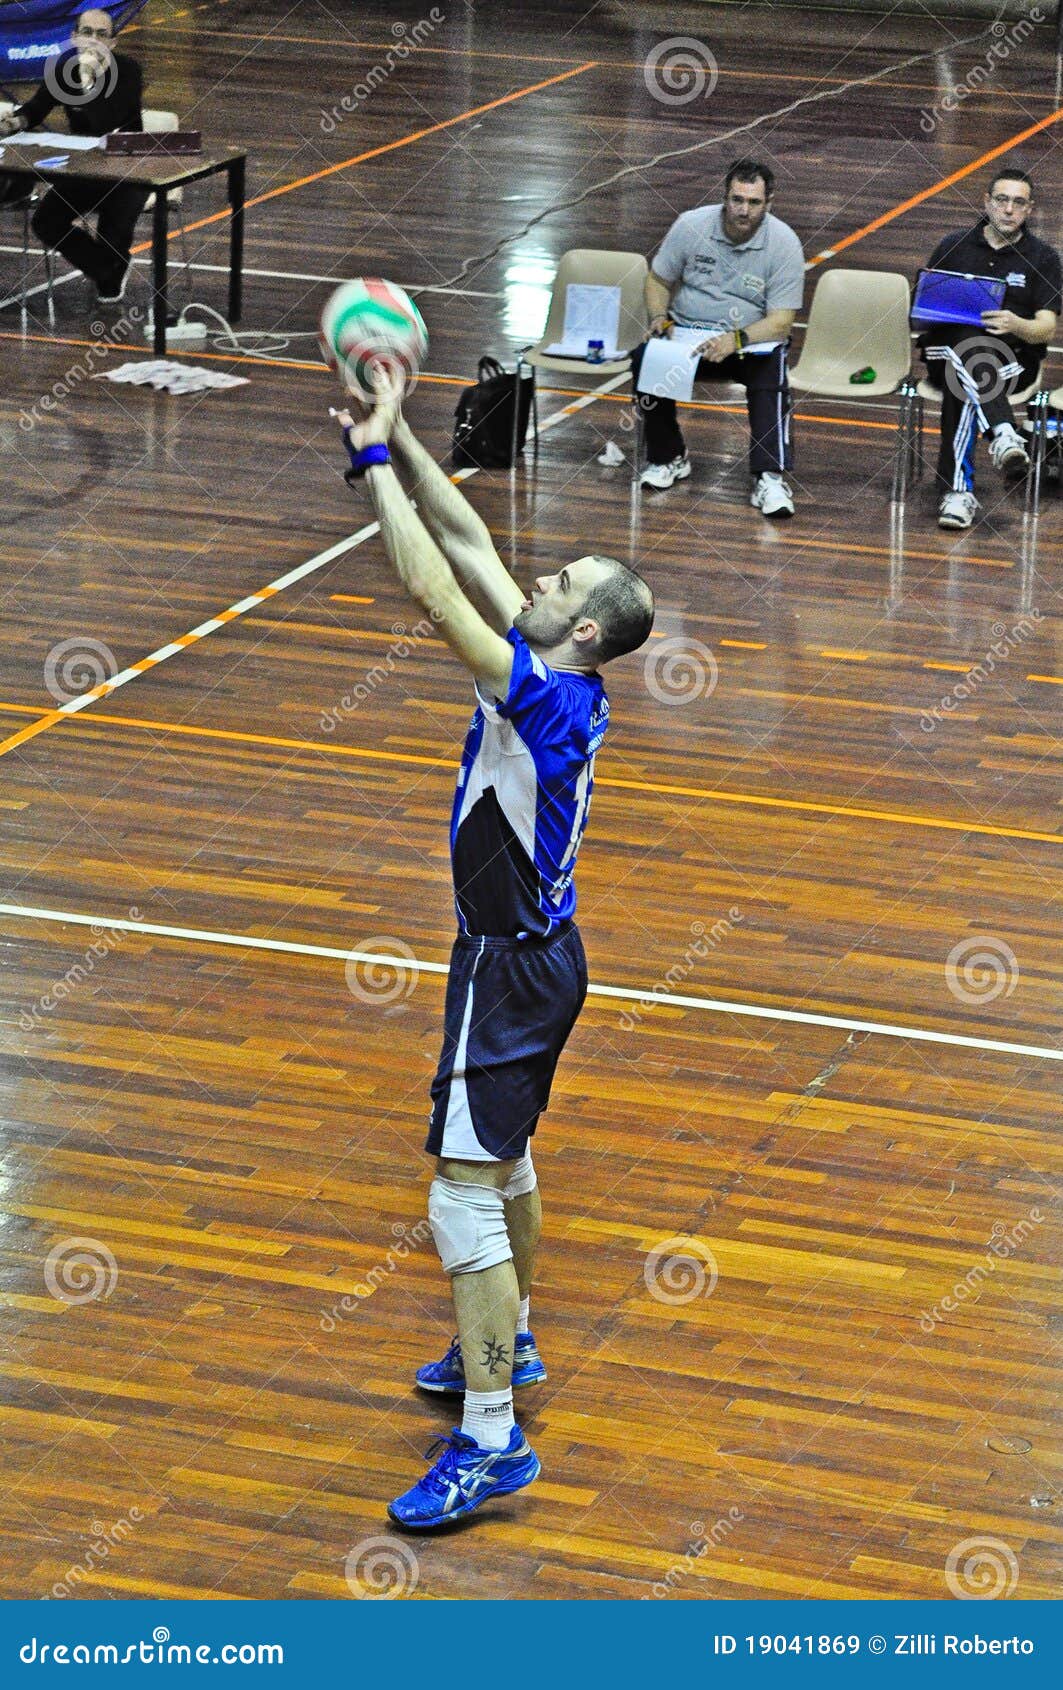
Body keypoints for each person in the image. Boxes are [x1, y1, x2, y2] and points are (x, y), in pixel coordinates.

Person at [334, 392, 654, 1530]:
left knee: (458, 1192)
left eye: (560, 583)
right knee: (503, 1163)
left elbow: (434, 591)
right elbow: (468, 540)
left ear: (584, 632)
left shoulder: (541, 697)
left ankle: (489, 1440)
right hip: (543, 959)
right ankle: (508, 1340)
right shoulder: (562, 671)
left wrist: (375, 468)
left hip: (509, 971)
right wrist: (399, 426)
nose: (539, 581)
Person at [629, 158, 805, 518]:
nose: (744, 210)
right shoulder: (690, 226)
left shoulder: (784, 243)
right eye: (737, 200)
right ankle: (668, 456)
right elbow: (658, 280)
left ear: (769, 203)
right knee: (647, 357)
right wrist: (659, 317)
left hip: (748, 344)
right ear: (725, 197)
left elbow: (782, 321)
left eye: (754, 202)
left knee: (773, 370)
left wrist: (735, 340)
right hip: (688, 335)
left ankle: (769, 477)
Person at [920, 167, 1060, 531]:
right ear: (986, 202)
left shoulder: (1043, 258)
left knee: (966, 376)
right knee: (967, 349)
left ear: (1030, 209)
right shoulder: (953, 245)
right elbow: (923, 306)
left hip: (1013, 361)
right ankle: (1002, 431)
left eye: (1019, 202)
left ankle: (958, 492)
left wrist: (1016, 324)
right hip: (943, 353)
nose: (1009, 209)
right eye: (1002, 200)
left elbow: (1045, 328)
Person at [0, 8, 147, 303]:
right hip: (83, 169)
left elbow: (107, 122)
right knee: (46, 221)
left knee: (113, 236)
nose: (94, 40)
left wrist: (88, 80)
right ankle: (107, 268)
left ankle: (109, 267)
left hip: (127, 170)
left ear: (113, 42)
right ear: (74, 37)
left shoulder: (128, 71)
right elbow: (37, 108)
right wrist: (15, 122)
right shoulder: (62, 70)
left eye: (102, 34)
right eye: (87, 33)